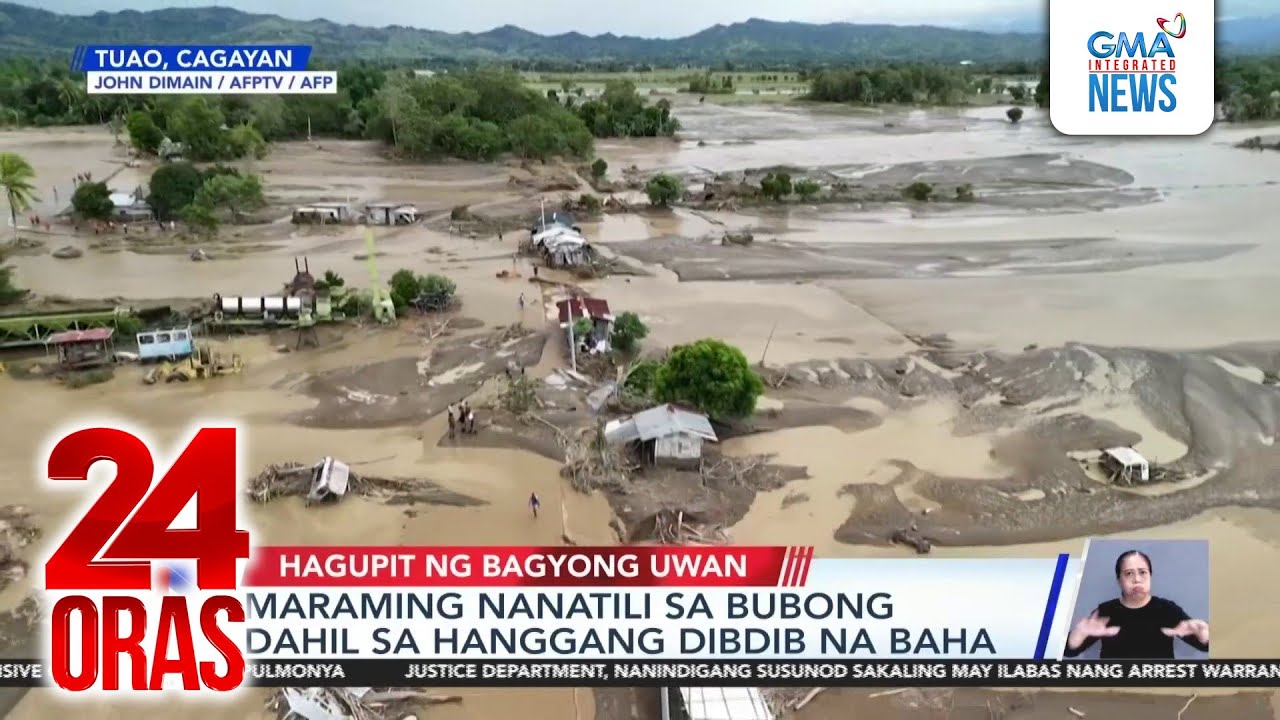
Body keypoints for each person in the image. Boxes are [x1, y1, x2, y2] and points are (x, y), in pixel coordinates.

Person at [1064, 550, 1210, 659]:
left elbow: (1205, 646)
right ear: (1119, 580)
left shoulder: (1167, 609)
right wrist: (1079, 634)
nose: (1137, 579)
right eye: (1128, 573)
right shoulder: (1105, 611)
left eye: (1142, 572)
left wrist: (1203, 635)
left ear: (1150, 576)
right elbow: (1069, 651)